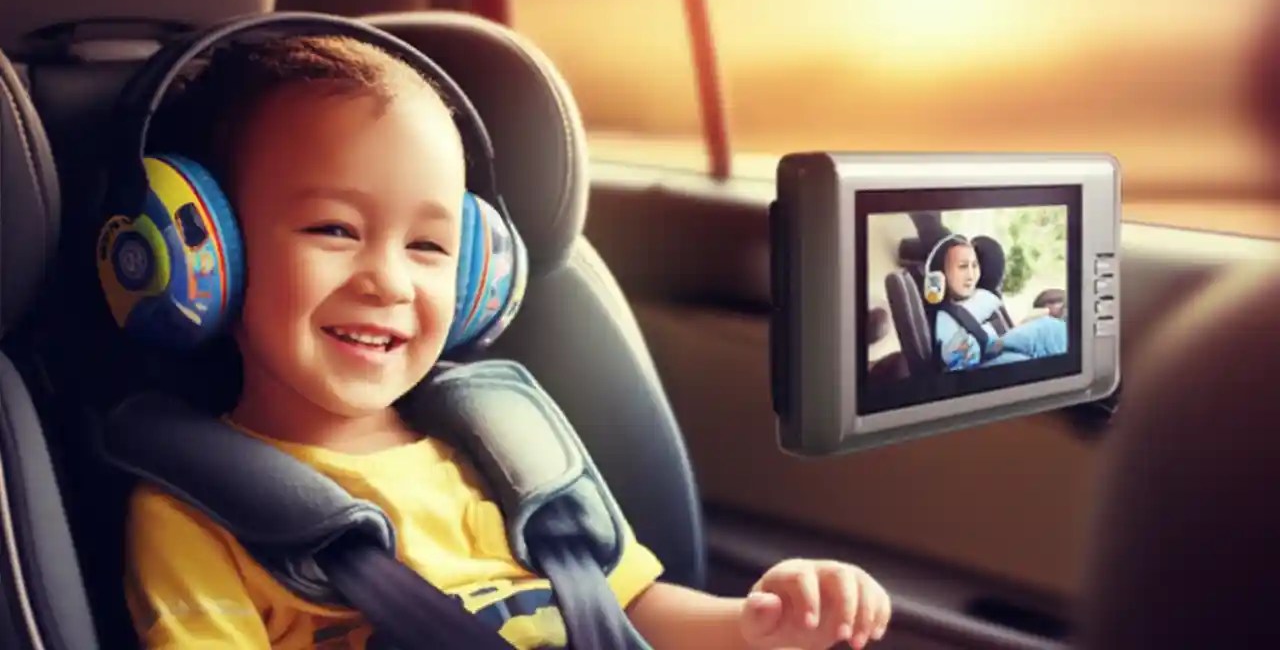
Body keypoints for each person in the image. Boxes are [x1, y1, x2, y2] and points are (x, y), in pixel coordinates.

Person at [123, 34, 893, 649]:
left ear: (475, 277)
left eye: (429, 246)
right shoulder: (195, 520)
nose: (388, 281)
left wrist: (759, 625)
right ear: (211, 254)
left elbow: (632, 610)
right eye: (335, 229)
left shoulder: (503, 444)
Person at [929, 236, 1067, 372]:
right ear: (941, 274)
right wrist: (995, 344)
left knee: (1049, 329)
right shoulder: (945, 318)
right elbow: (959, 362)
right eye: (963, 266)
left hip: (994, 352)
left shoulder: (976, 303)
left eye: (975, 265)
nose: (971, 275)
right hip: (979, 371)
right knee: (1049, 331)